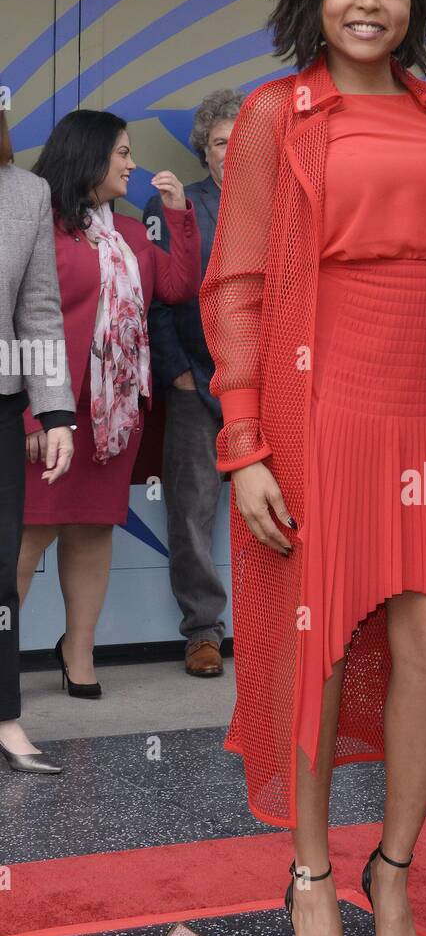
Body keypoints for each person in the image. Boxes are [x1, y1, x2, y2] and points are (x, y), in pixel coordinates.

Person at [200, 0, 426, 936]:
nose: (368, 4)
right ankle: (313, 875)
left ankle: (397, 868)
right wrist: (245, 441)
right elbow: (234, 284)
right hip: (320, 414)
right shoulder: (282, 114)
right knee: (318, 654)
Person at [17, 111, 202, 696]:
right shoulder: (36, 224)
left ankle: (79, 655)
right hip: (50, 412)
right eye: (122, 153)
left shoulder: (127, 232)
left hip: (111, 417)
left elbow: (176, 287)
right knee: (27, 537)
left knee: (92, 533)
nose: (131, 163)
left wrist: (177, 216)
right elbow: (17, 323)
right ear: (90, 156)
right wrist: (31, 414)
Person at [143, 89, 246, 677]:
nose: (231, 152)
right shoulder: (176, 206)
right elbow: (157, 297)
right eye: (219, 142)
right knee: (190, 514)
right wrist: (177, 371)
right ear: (203, 151)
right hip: (195, 384)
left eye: (241, 141)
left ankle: (281, 626)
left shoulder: (284, 204)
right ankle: (202, 633)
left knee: (283, 512)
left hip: (266, 384)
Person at [0, 109, 74, 775]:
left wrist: (55, 413)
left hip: (0, 403)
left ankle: (5, 719)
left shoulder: (26, 193)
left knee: (0, 570)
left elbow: (40, 312)